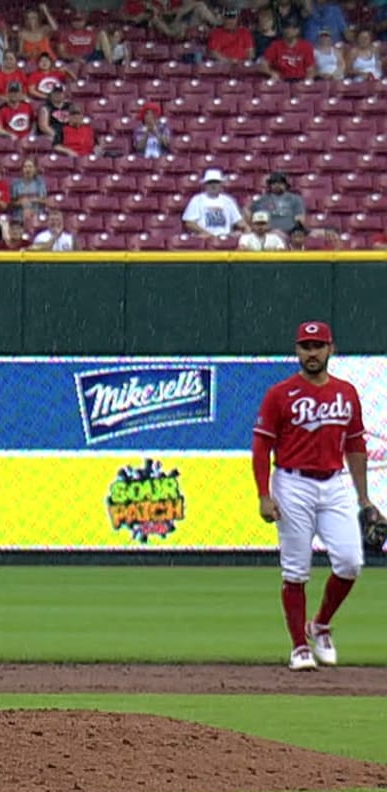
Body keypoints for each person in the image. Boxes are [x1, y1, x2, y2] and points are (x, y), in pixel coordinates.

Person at [252, 321, 376, 670]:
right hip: (292, 483)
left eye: (318, 345)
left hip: (335, 482)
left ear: (330, 349)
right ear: (297, 350)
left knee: (351, 562)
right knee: (296, 569)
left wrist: (364, 499)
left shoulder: (346, 392)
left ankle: (319, 624)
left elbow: (355, 445)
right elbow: (262, 446)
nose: (312, 352)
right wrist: (264, 494)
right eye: (306, 346)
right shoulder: (280, 393)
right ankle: (298, 647)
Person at [182, 168, 245, 240]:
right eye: (210, 182)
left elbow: (238, 221)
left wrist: (246, 230)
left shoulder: (228, 201)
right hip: (205, 239)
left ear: (221, 184)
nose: (213, 185)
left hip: (225, 238)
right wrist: (207, 234)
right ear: (205, 185)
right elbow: (189, 223)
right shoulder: (197, 200)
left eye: (216, 182)